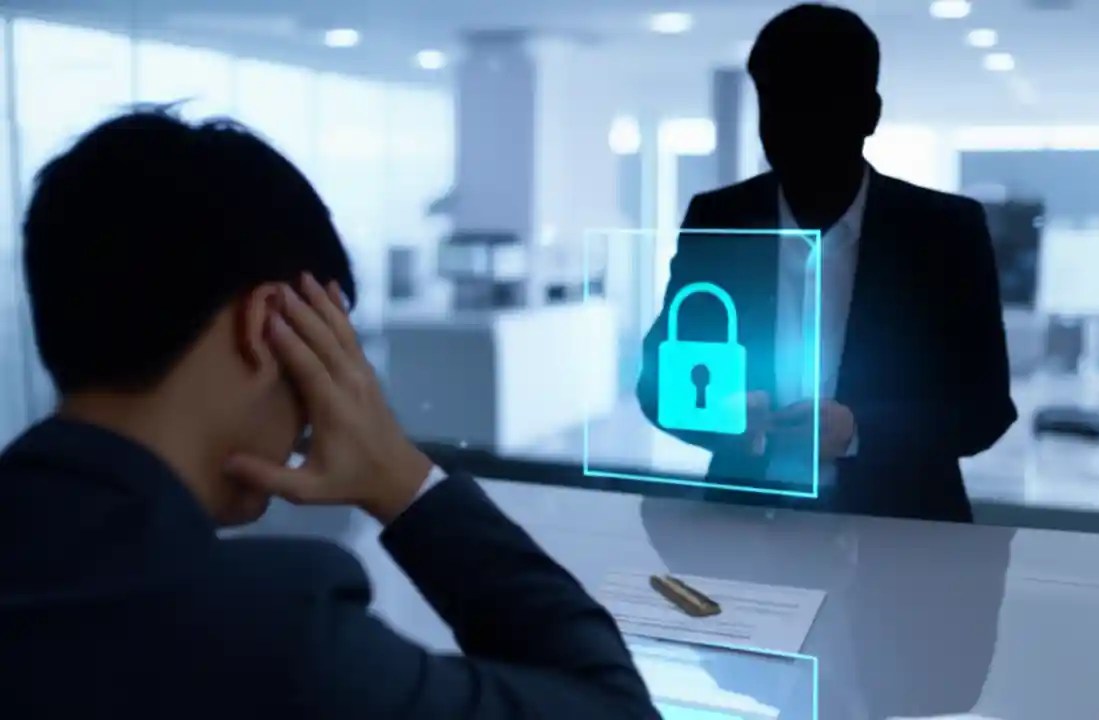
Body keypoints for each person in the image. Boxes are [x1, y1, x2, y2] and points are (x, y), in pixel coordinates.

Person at [0, 110, 658, 720]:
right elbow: (615, 708)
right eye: (331, 339)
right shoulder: (274, 635)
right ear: (270, 326)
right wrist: (402, 476)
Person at [637, 3, 1016, 523]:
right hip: (742, 528)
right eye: (775, 102)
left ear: (869, 114)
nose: (790, 125)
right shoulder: (719, 218)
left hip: (901, 535)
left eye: (816, 103)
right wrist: (720, 417)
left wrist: (857, 431)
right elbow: (656, 383)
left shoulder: (944, 231)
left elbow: (984, 410)